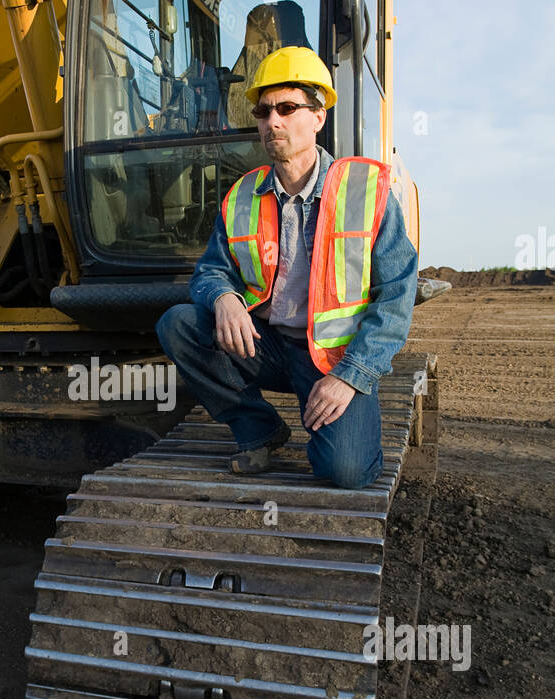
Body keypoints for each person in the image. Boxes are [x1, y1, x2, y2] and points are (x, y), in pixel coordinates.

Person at [156, 47, 418, 489]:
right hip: (268, 345)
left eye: (287, 108)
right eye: (263, 111)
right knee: (179, 324)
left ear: (318, 117)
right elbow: (210, 270)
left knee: (346, 472)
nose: (271, 121)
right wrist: (224, 299)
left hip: (333, 357)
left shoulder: (366, 191)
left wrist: (350, 378)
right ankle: (259, 429)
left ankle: (329, 414)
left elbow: (396, 295)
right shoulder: (242, 196)